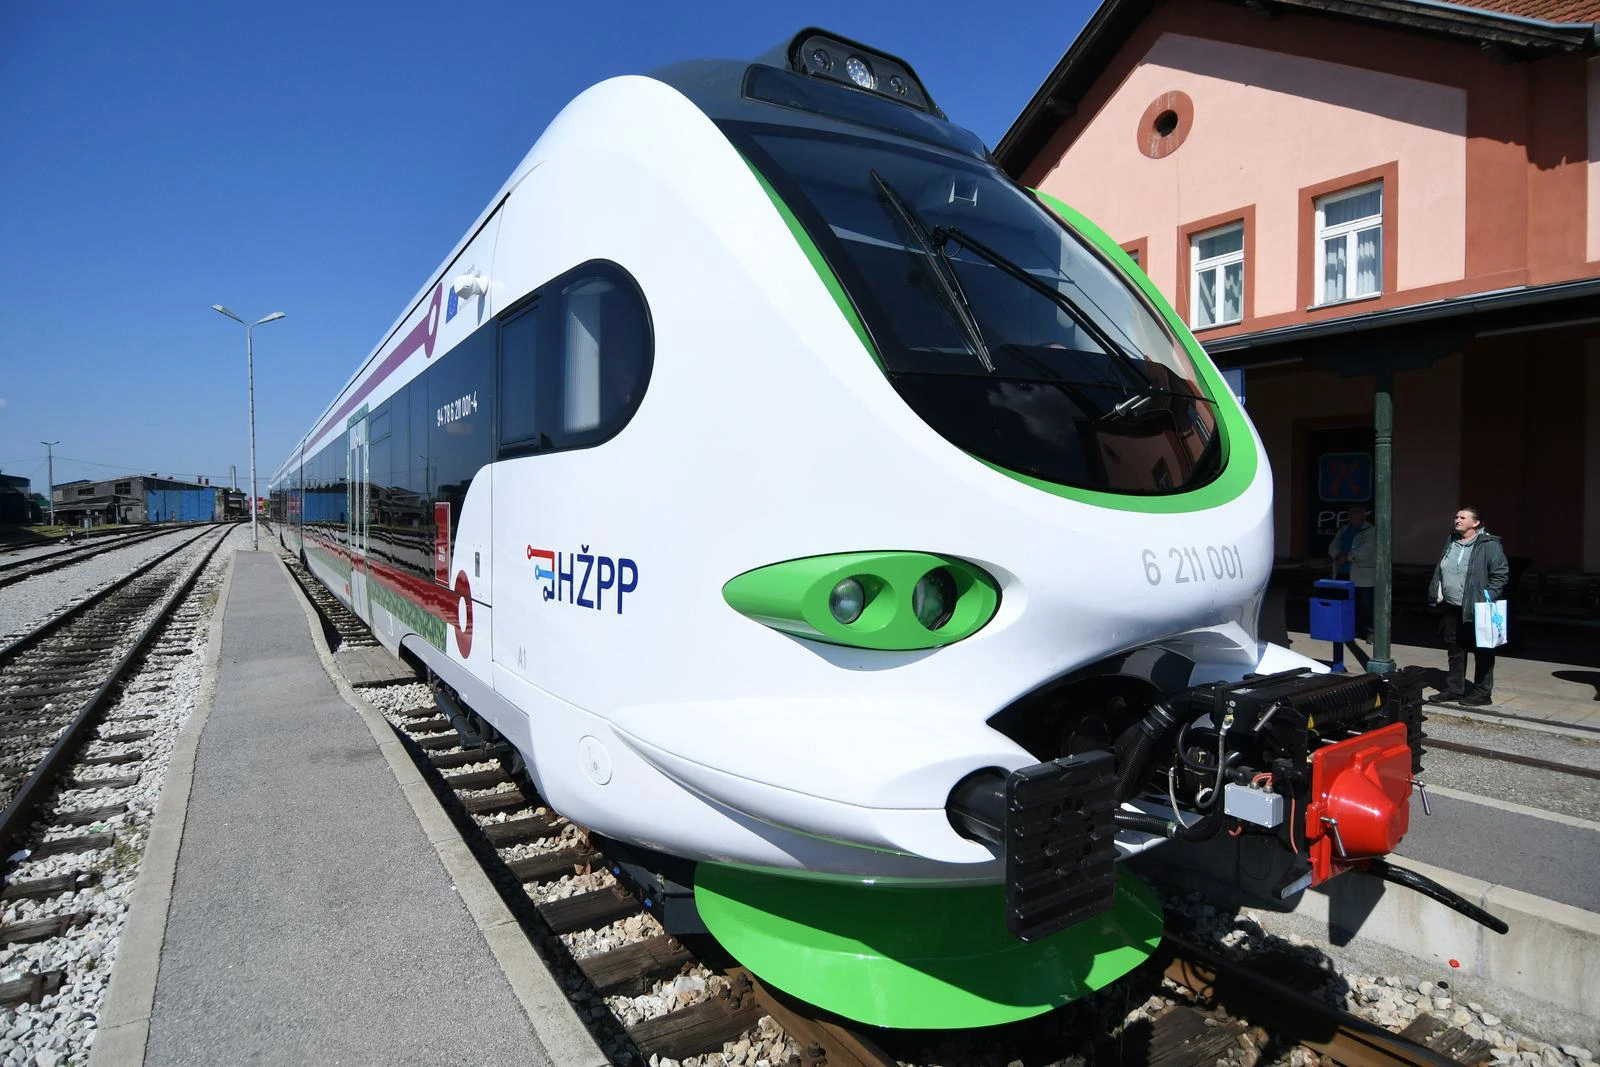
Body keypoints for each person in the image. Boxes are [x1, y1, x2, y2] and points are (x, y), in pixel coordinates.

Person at [1427, 506, 1509, 706]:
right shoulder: (1452, 540)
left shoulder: (1489, 545)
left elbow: (1501, 574)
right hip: (1452, 606)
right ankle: (1455, 689)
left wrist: (1486, 595)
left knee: (1483, 651)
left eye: (1462, 517)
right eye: (1456, 516)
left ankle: (1482, 693)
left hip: (1477, 607)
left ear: (1476, 522)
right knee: (1455, 649)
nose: (1457, 520)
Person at [1328, 504, 1376, 640]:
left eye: (1355, 513)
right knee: (1346, 603)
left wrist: (1348, 556)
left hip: (1362, 575)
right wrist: (1336, 554)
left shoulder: (1370, 530)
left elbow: (1367, 551)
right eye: (1350, 514)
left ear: (1362, 515)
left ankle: (1370, 632)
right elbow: (1333, 545)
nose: (1351, 516)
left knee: (1365, 604)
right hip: (1343, 572)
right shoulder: (1344, 529)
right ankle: (1349, 630)